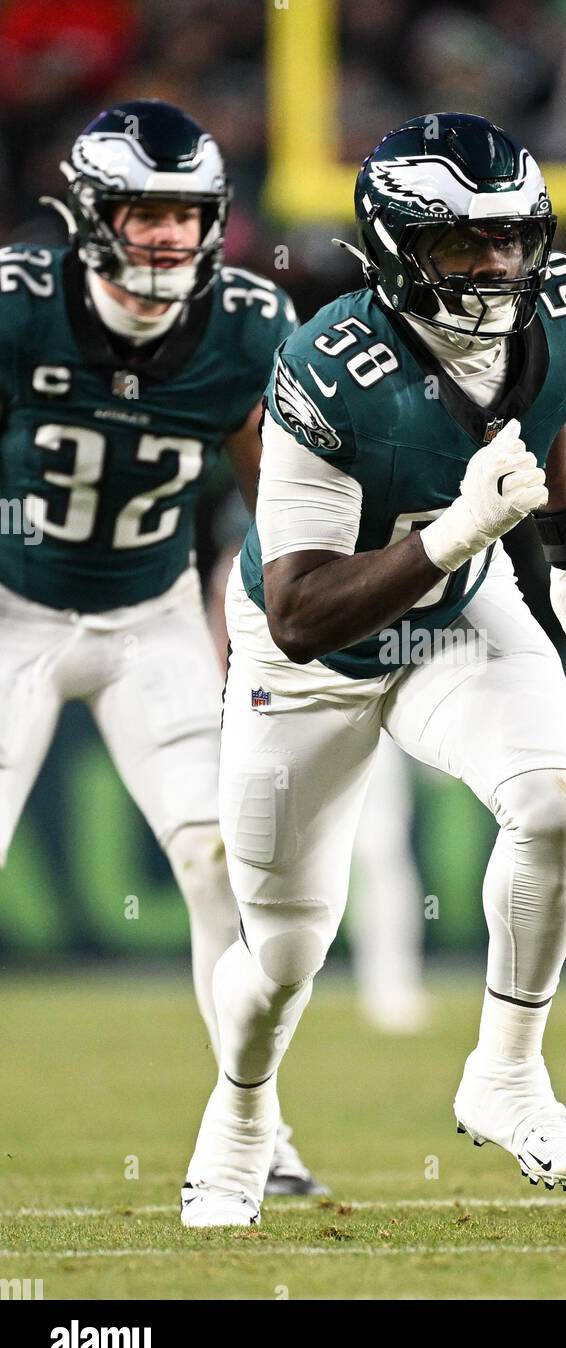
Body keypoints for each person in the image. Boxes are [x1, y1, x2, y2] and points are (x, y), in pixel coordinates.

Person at [181, 112, 566, 1228]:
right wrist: (452, 535)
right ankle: (238, 1119)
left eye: (510, 238)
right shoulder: (332, 369)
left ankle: (508, 1071)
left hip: (459, 625)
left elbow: (547, 400)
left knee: (555, 802)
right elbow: (296, 614)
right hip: (318, 663)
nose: (494, 267)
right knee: (284, 952)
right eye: (460, 245)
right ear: (393, 251)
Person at [0, 98, 324, 1197]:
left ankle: (254, 1128)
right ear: (90, 215)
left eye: (187, 215)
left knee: (221, 864)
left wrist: (267, 619)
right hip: (13, 615)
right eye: (143, 211)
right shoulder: (17, 303)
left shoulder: (247, 323)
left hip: (153, 616)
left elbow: (274, 494)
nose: (169, 239)